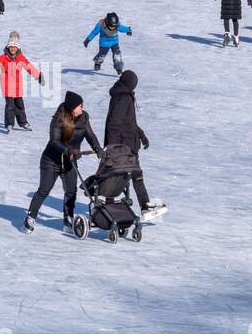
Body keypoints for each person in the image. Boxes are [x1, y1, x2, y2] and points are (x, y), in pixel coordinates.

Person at [22, 91, 102, 232]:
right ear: (72, 107)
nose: (82, 108)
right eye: (79, 105)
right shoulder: (59, 119)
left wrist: (98, 149)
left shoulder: (84, 117)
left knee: (71, 191)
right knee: (44, 190)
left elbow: (90, 135)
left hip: (70, 160)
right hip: (51, 160)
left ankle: (67, 220)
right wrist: (68, 151)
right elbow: (54, 141)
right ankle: (31, 217)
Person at [103, 70, 167, 221]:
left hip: (128, 144)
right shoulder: (123, 98)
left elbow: (129, 123)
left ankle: (143, 206)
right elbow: (114, 124)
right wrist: (114, 148)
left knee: (128, 175)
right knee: (121, 175)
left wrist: (141, 135)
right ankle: (114, 208)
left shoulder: (125, 96)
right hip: (124, 148)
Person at [0, 30, 42, 131]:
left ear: (18, 48)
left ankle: (23, 123)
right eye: (11, 47)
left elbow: (30, 68)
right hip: (7, 87)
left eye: (15, 47)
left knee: (20, 105)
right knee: (10, 106)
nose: (13, 49)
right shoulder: (3, 58)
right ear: (8, 47)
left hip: (18, 87)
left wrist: (39, 76)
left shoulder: (21, 58)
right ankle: (9, 124)